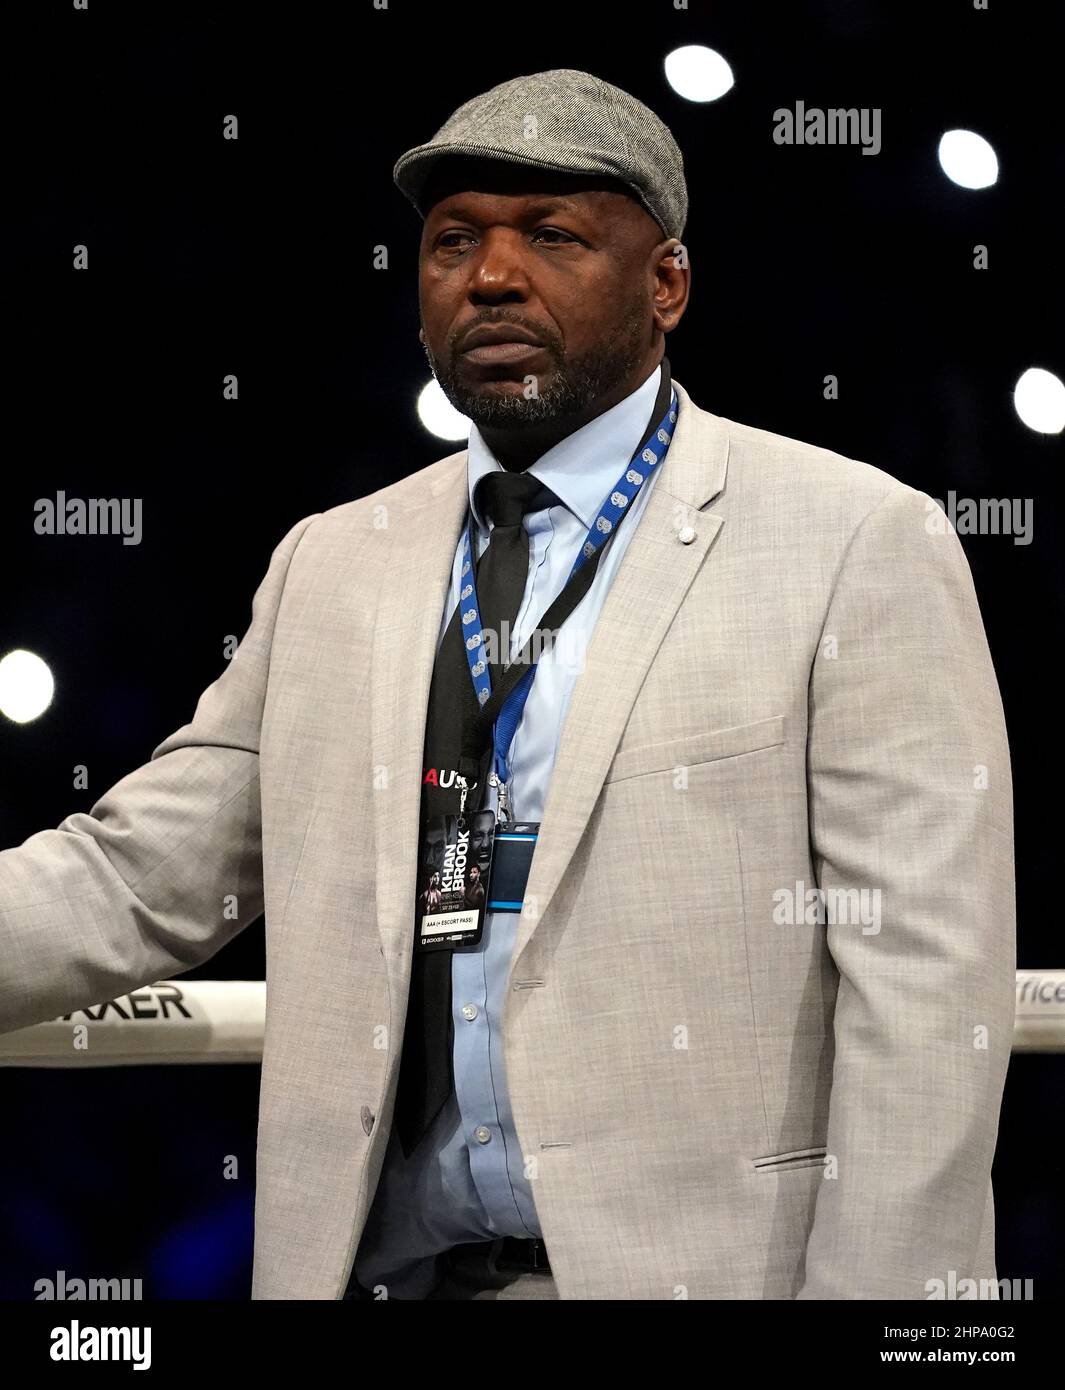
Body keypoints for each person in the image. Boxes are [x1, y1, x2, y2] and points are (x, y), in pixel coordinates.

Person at [0, 69, 1015, 1301]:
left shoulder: (851, 539)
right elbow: (136, 874)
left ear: (668, 283)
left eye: (552, 237)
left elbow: (923, 993)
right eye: (453, 241)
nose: (490, 275)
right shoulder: (335, 562)